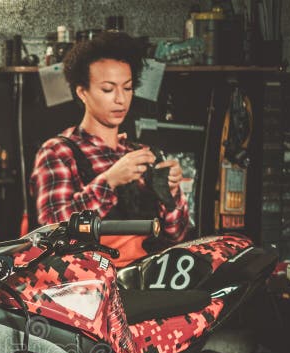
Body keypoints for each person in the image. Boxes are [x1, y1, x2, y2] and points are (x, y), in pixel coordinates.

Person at [30, 32, 190, 267]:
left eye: (127, 88)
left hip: (148, 281)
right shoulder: (57, 152)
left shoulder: (143, 153)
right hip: (91, 284)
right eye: (107, 89)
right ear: (82, 92)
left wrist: (170, 194)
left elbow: (178, 235)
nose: (120, 99)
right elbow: (50, 231)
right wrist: (109, 181)